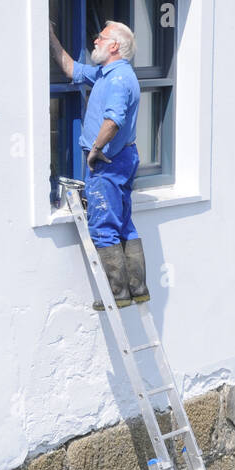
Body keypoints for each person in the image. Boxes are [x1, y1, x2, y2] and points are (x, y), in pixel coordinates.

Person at [49, 18, 150, 309]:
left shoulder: (118, 80)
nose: (95, 41)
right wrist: (51, 36)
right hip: (121, 158)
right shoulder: (107, 74)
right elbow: (71, 69)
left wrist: (95, 149)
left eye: (101, 38)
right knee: (123, 223)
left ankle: (116, 294)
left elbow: (113, 120)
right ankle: (137, 289)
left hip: (108, 161)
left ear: (115, 46)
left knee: (103, 226)